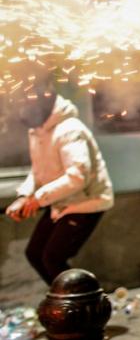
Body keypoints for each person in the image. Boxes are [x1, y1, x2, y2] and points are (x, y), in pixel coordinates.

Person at [5, 69, 113, 284]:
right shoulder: (37, 130)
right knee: (35, 254)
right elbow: (38, 170)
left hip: (86, 203)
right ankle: (64, 302)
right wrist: (25, 196)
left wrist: (38, 198)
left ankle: (84, 303)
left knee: (52, 258)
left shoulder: (69, 129)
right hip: (60, 202)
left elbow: (77, 176)